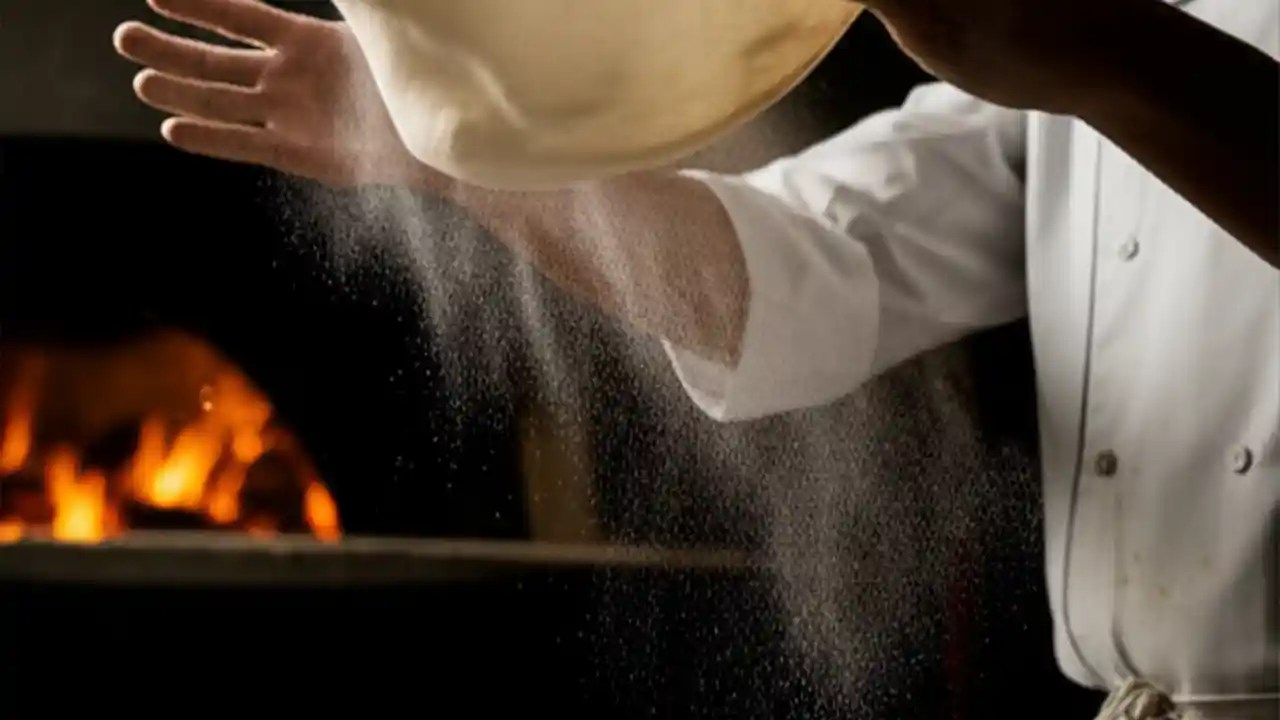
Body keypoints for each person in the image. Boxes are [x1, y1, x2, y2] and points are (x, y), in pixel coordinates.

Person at [113, 0, 1278, 717]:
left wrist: (1104, 54)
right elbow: (798, 279)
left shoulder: (1091, 38)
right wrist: (455, 152)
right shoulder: (1069, 67)